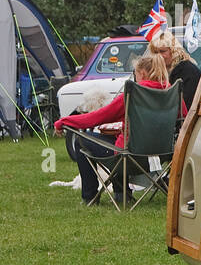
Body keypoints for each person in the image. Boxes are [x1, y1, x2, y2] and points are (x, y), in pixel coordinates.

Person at [53, 53, 186, 207]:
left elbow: (97, 118)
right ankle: (121, 194)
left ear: (142, 73)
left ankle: (90, 196)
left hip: (130, 158)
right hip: (160, 156)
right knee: (118, 142)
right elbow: (183, 119)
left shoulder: (135, 93)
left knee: (83, 140)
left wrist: (64, 121)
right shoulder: (172, 93)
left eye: (135, 74)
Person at [148, 30, 201, 111]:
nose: (159, 56)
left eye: (162, 51)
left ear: (173, 50)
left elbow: (187, 106)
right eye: (155, 52)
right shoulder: (158, 71)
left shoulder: (188, 71)